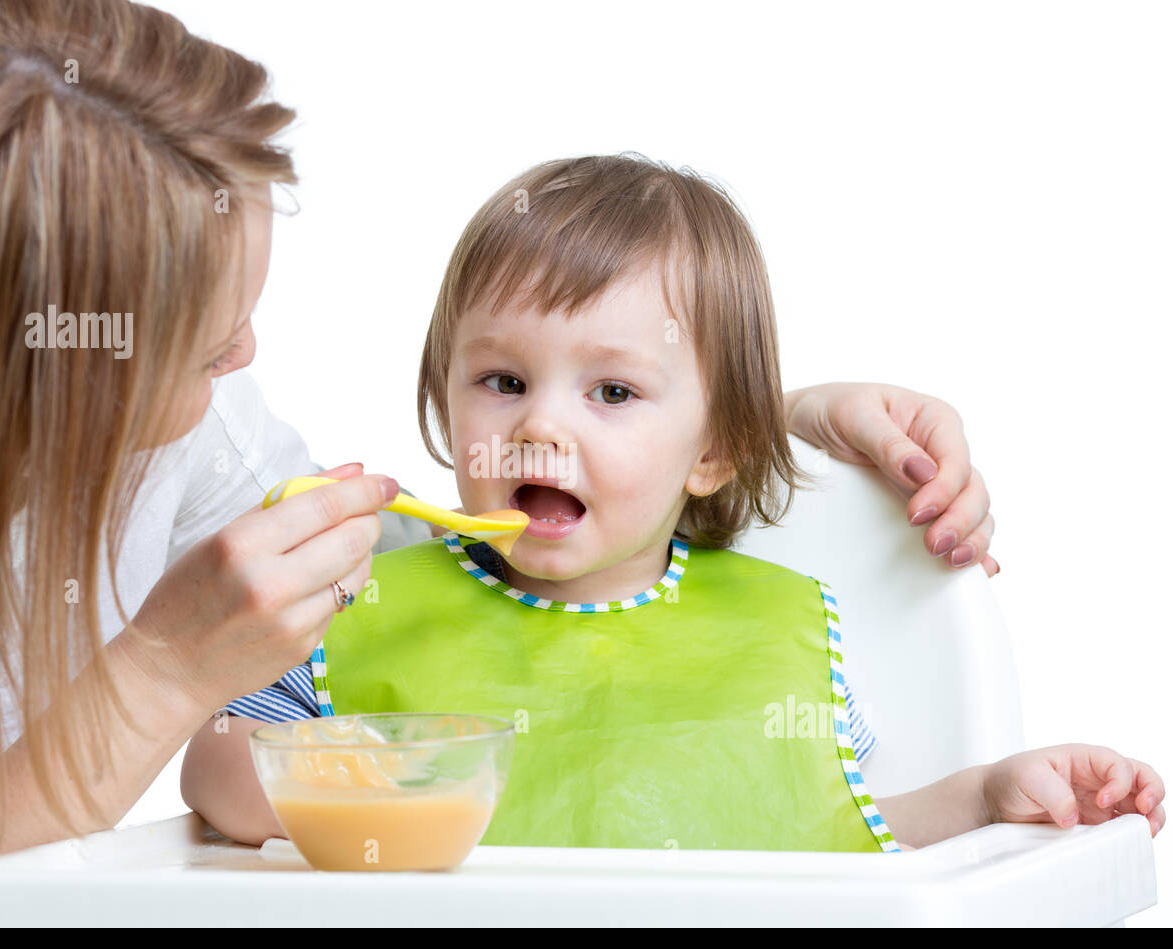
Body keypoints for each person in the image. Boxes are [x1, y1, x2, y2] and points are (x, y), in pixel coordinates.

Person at [0, 0, 998, 926]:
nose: (246, 359)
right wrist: (160, 678)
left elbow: (441, 551)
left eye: (611, 391)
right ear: (19, 375)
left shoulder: (203, 436)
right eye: (208, 345)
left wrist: (781, 417)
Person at [185, 154, 1164, 853]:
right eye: (501, 379)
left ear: (716, 449)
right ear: (444, 395)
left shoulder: (774, 632)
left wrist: (988, 794)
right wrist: (338, 779)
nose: (542, 428)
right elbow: (210, 775)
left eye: (611, 392)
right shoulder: (362, 600)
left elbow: (832, 828)